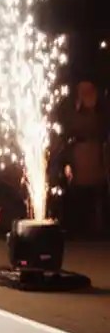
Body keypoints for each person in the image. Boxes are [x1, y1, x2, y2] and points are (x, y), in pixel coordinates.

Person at [62, 81, 108, 236]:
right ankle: (80, 228)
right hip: (80, 157)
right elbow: (68, 135)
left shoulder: (100, 115)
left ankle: (96, 228)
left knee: (96, 192)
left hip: (95, 156)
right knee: (81, 193)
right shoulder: (75, 115)